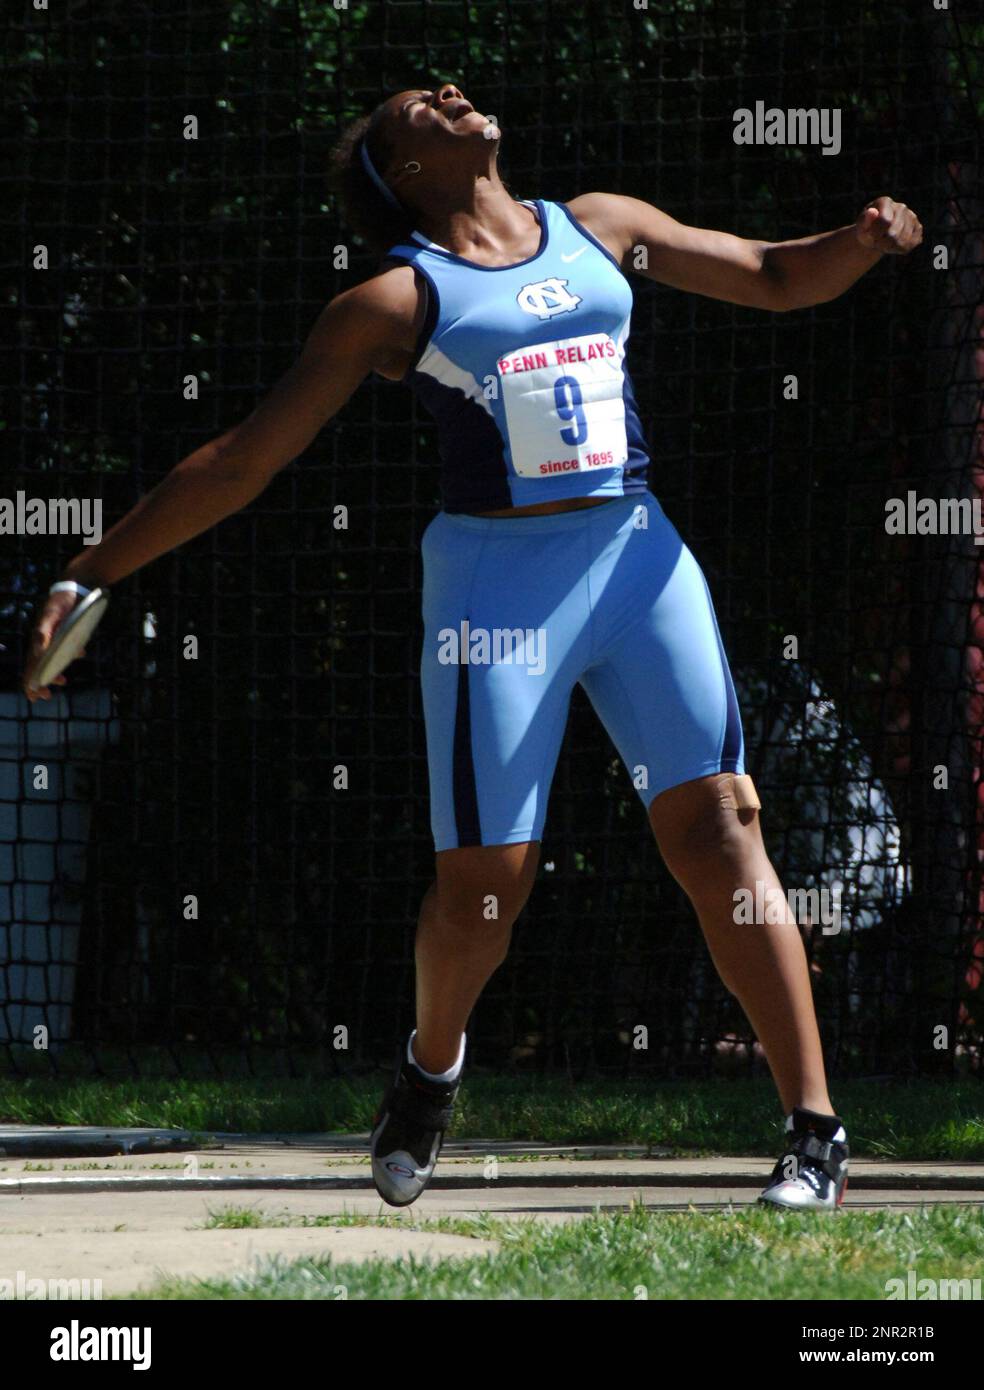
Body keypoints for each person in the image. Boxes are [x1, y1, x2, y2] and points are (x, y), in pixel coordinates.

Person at [24, 83, 922, 1211]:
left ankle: (815, 1131)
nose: (452, 94)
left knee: (721, 824)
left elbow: (779, 275)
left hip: (637, 554)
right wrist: (87, 567)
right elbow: (245, 458)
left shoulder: (600, 224)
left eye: (449, 88)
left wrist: (861, 240)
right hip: (497, 589)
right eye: (420, 107)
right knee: (486, 890)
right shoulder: (394, 299)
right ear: (402, 171)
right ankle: (432, 1064)